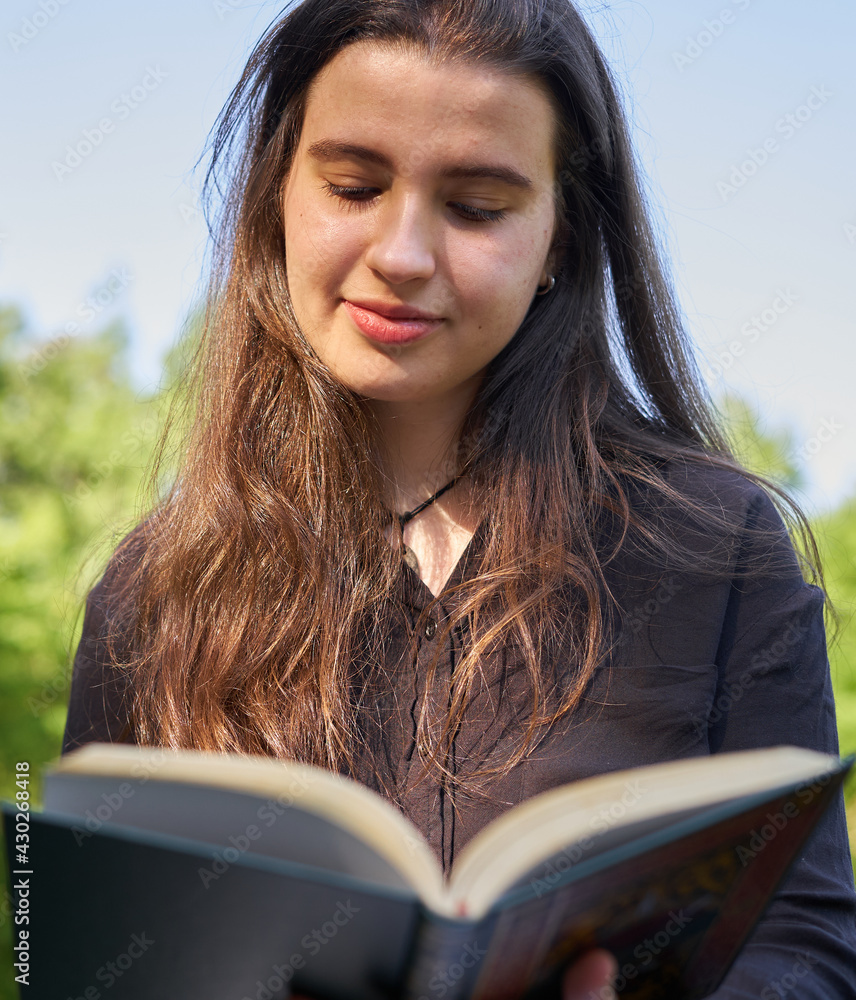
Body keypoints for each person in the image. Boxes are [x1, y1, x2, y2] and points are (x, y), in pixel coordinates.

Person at [61, 0, 856, 997]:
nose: (401, 254)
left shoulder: (715, 546)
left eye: (476, 207)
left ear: (561, 235)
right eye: (353, 185)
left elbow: (807, 940)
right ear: (277, 195)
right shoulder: (154, 592)